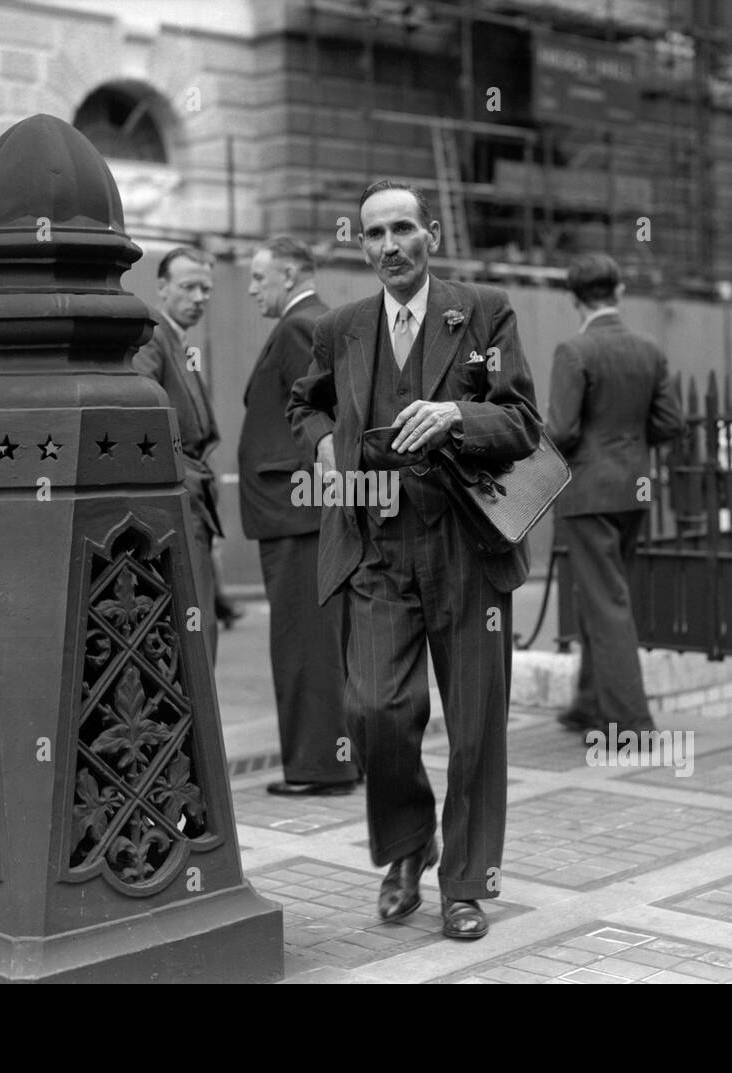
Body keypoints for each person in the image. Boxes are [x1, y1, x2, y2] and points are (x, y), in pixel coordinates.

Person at [289, 181, 541, 940]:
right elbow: (305, 405)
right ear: (359, 244)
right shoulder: (341, 328)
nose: (390, 245)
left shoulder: (483, 310)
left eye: (403, 228)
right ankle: (408, 844)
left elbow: (524, 420)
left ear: (430, 232)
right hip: (375, 544)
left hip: (465, 542)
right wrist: (326, 444)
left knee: (475, 724)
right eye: (374, 233)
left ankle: (463, 883)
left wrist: (458, 415)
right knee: (374, 710)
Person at [547, 253, 685, 738]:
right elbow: (671, 422)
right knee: (604, 597)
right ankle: (588, 703)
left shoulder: (572, 350)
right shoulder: (649, 349)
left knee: (605, 602)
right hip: (634, 489)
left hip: (588, 493)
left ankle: (630, 723)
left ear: (573, 299)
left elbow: (560, 431)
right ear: (619, 292)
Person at [241, 235, 358, 796]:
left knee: (303, 645)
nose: (252, 288)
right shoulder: (318, 320)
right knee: (322, 642)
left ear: (289, 275)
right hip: (306, 508)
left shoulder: (298, 325)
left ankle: (318, 767)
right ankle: (339, 759)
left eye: (260, 277)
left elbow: (319, 413)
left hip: (295, 510)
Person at [132, 246, 222, 662]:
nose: (199, 297)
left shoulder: (178, 342)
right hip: (180, 496)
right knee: (194, 629)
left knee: (200, 623)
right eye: (188, 287)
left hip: (193, 495)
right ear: (163, 288)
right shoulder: (153, 337)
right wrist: (180, 473)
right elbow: (141, 402)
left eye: (205, 288)